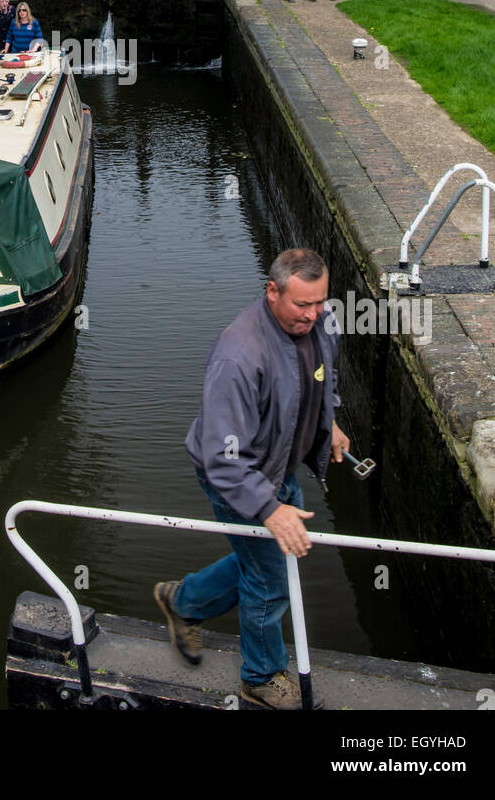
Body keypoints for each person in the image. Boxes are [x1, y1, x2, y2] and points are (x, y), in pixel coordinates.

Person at [154, 248, 350, 710]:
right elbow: (222, 457)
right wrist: (269, 509)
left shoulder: (321, 322)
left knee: (263, 562)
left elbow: (324, 375)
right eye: (302, 305)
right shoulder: (240, 354)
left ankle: (183, 601)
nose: (313, 314)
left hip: (277, 467)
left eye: (320, 302)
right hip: (237, 474)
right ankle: (260, 679)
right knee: (271, 578)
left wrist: (330, 422)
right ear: (272, 291)